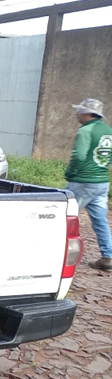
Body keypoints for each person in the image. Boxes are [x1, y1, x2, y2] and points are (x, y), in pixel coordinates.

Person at [65, 99, 112, 270]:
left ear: (89, 114)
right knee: (100, 222)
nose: (77, 114)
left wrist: (70, 173)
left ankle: (53, 254)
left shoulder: (85, 130)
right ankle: (108, 257)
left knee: (63, 217)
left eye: (80, 111)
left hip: (82, 182)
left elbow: (78, 156)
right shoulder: (108, 130)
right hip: (101, 182)